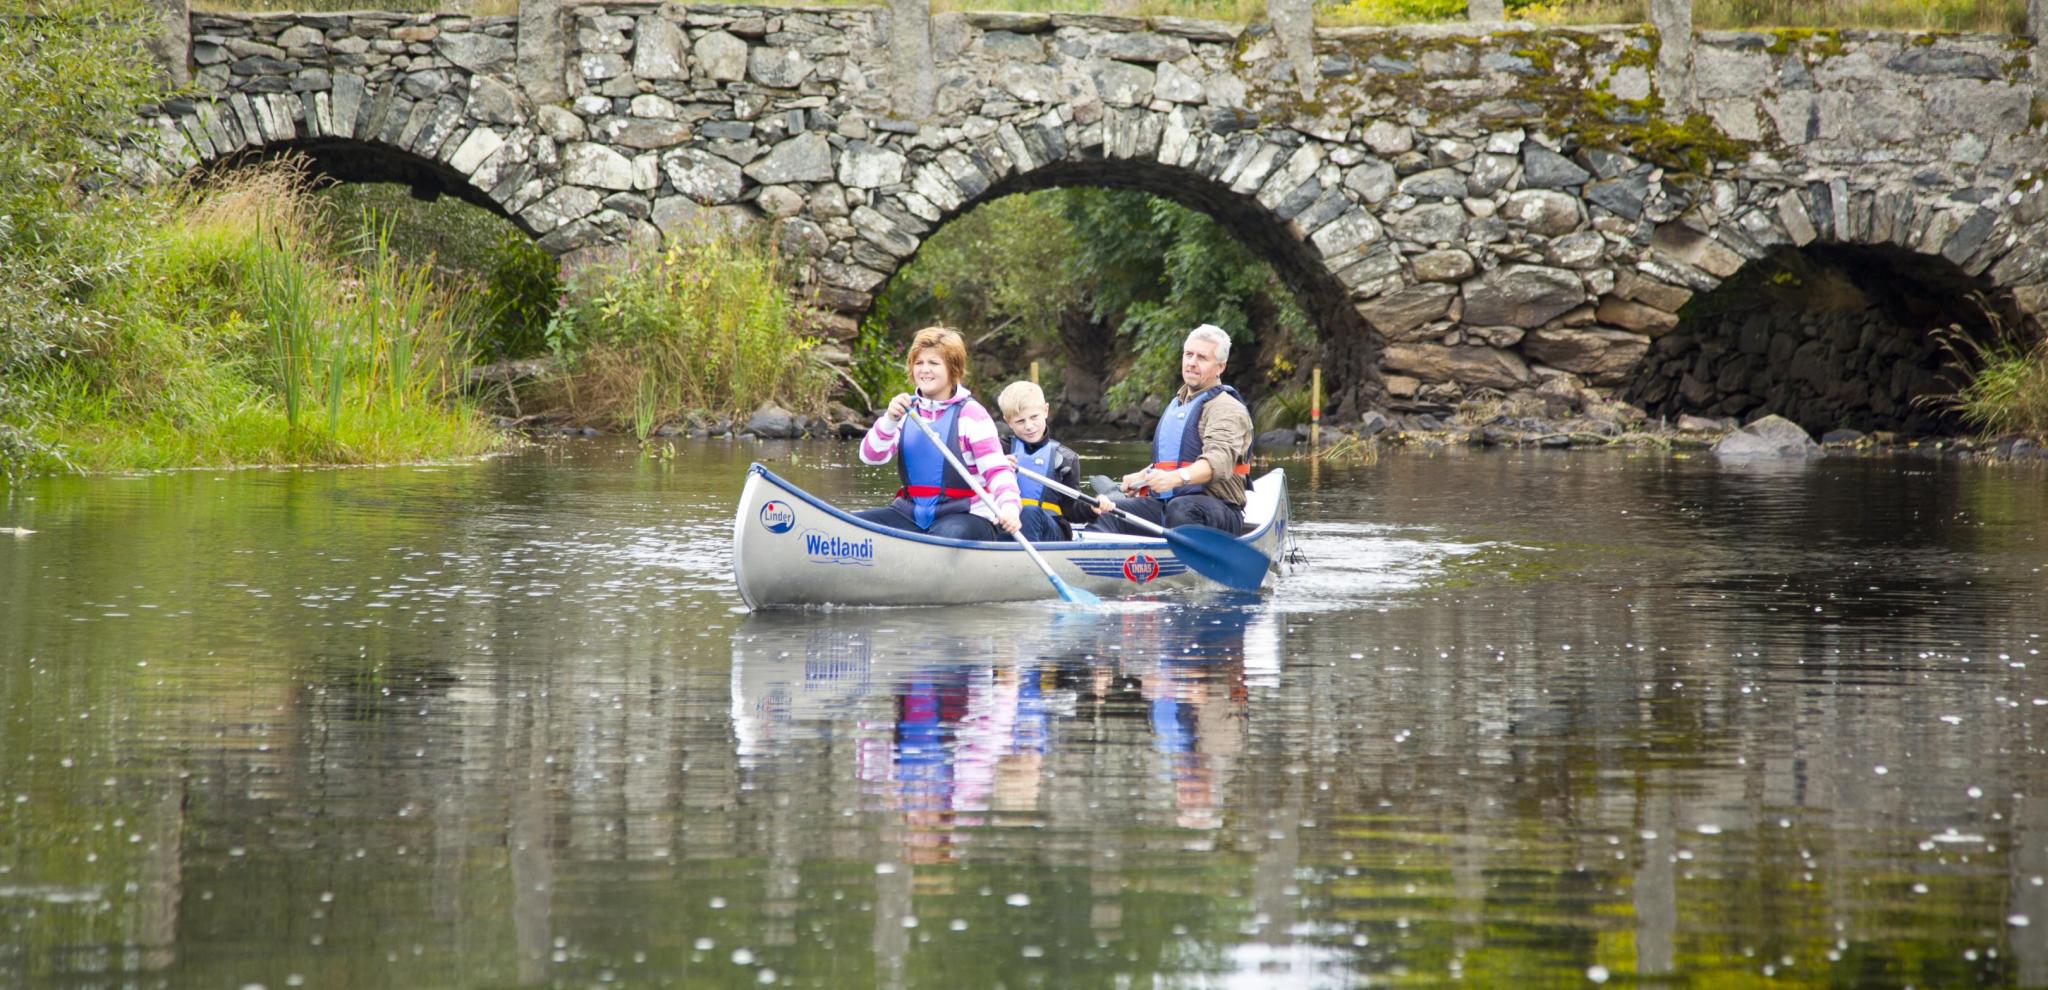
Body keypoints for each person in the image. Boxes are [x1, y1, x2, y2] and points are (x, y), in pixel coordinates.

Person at [856, 327, 1022, 541]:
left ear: (953, 370)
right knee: (853, 524)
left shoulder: (971, 414)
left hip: (965, 516)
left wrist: (1010, 508)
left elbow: (997, 471)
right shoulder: (904, 412)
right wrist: (889, 419)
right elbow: (871, 457)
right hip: (910, 514)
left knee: (947, 534)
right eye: (919, 363)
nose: (925, 370)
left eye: (934, 363)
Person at [1089, 324, 1253, 535]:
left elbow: (1218, 461)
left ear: (1220, 367)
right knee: (1107, 511)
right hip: (1169, 506)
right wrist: (1143, 477)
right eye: (1188, 355)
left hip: (1219, 510)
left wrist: (1174, 479)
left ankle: (1189, 560)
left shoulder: (1227, 409)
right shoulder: (1180, 403)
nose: (1192, 363)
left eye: (1202, 358)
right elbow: (1180, 457)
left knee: (1181, 509)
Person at [995, 380, 1097, 543]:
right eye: (1020, 421)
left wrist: (1092, 508)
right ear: (1008, 421)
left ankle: (1023, 563)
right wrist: (995, 467)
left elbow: (1071, 510)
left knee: (1029, 512)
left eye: (1034, 417)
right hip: (1006, 526)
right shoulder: (997, 450)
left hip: (1051, 531)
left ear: (1045, 411)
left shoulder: (1066, 459)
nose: (1029, 426)